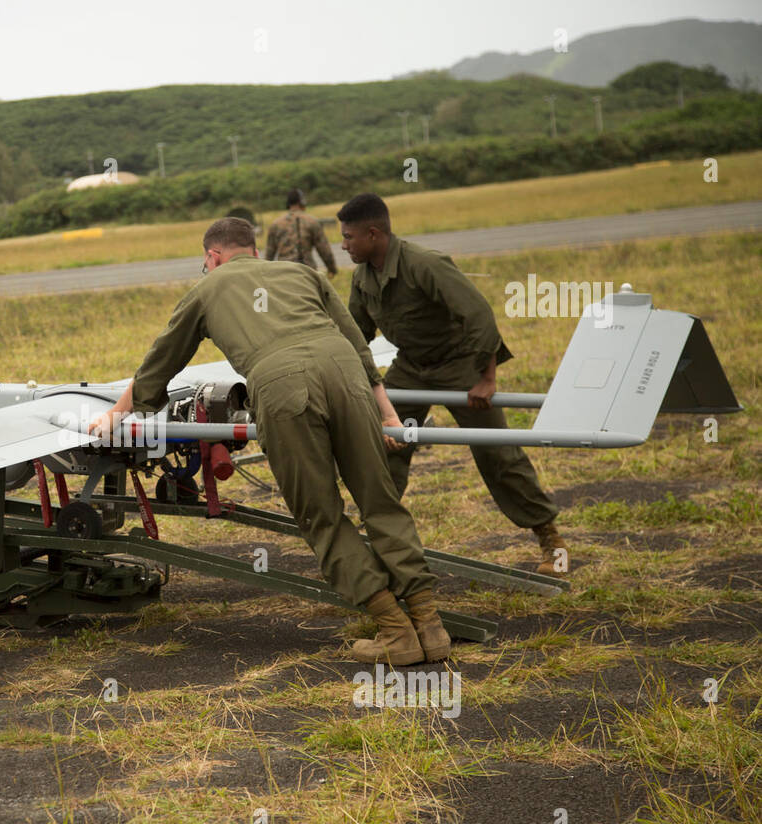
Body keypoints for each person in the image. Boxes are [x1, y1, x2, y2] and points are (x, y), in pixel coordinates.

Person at [90, 217, 451, 666]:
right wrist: (388, 413)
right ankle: (431, 627)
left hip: (281, 384)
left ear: (212, 258)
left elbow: (161, 362)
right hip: (346, 374)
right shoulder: (302, 273)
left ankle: (397, 632)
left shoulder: (206, 289)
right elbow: (356, 343)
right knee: (379, 500)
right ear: (256, 251)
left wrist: (118, 414)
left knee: (321, 513)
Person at [336, 193, 568, 576]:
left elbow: (478, 316)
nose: (343, 246)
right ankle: (377, 539)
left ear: (373, 234)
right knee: (385, 445)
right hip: (411, 367)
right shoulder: (363, 278)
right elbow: (357, 334)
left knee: (497, 454)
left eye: (348, 237)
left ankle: (550, 538)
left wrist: (486, 378)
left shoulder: (424, 264)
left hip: (461, 365)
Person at [264, 188, 338, 277]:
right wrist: (332, 269)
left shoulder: (275, 224)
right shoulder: (312, 222)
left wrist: (266, 274)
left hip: (283, 273)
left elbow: (269, 254)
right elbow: (324, 249)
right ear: (302, 201)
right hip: (307, 272)